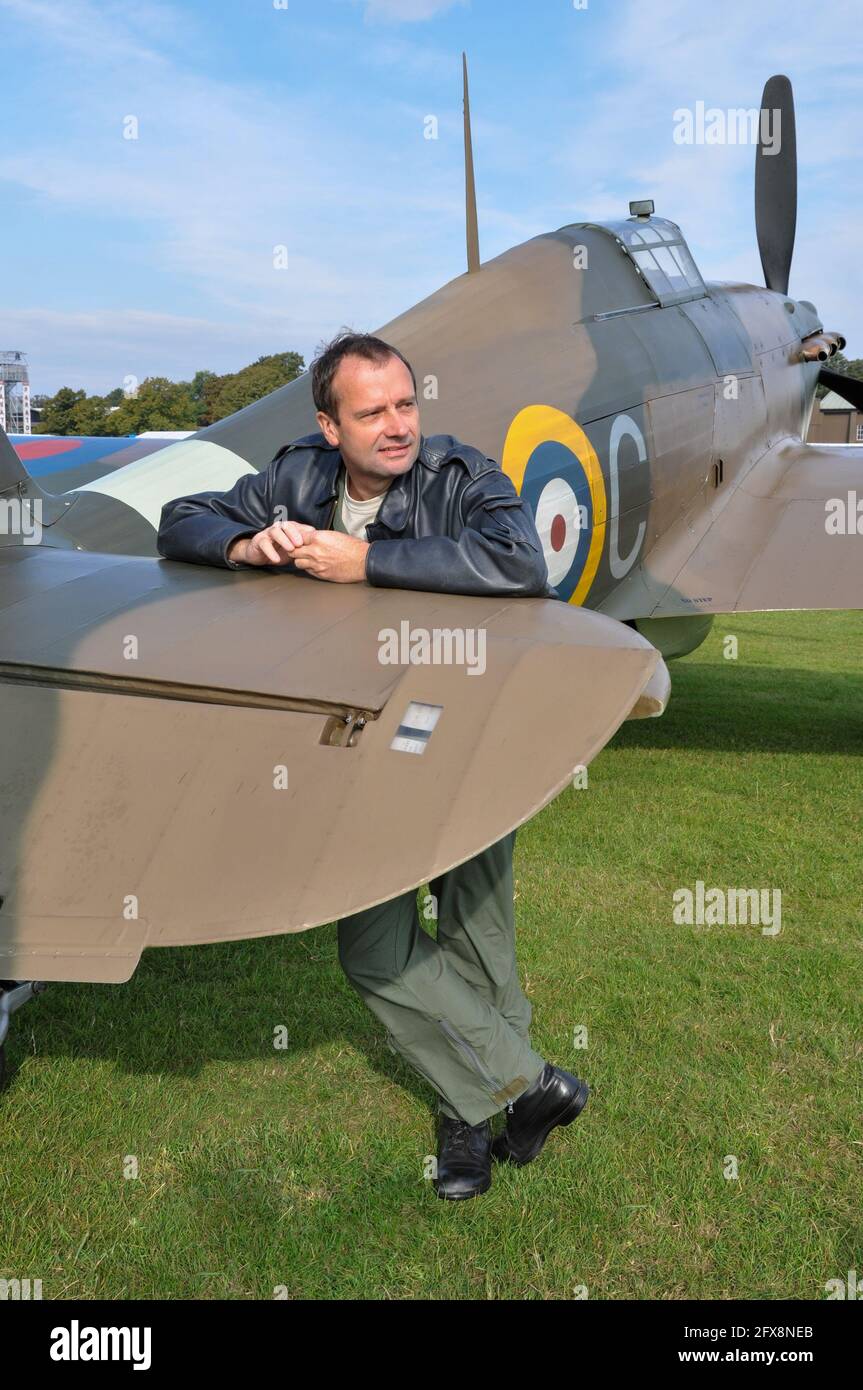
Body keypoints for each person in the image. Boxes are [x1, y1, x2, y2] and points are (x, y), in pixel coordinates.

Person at [156, 330, 589, 1199]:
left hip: (472, 733)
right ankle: (530, 1084)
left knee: (478, 934)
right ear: (328, 425)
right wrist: (247, 546)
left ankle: (471, 1114)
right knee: (376, 947)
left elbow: (520, 564)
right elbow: (182, 518)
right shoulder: (292, 479)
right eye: (372, 412)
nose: (398, 426)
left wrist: (369, 561)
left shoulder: (461, 476)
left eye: (405, 404)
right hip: (367, 744)